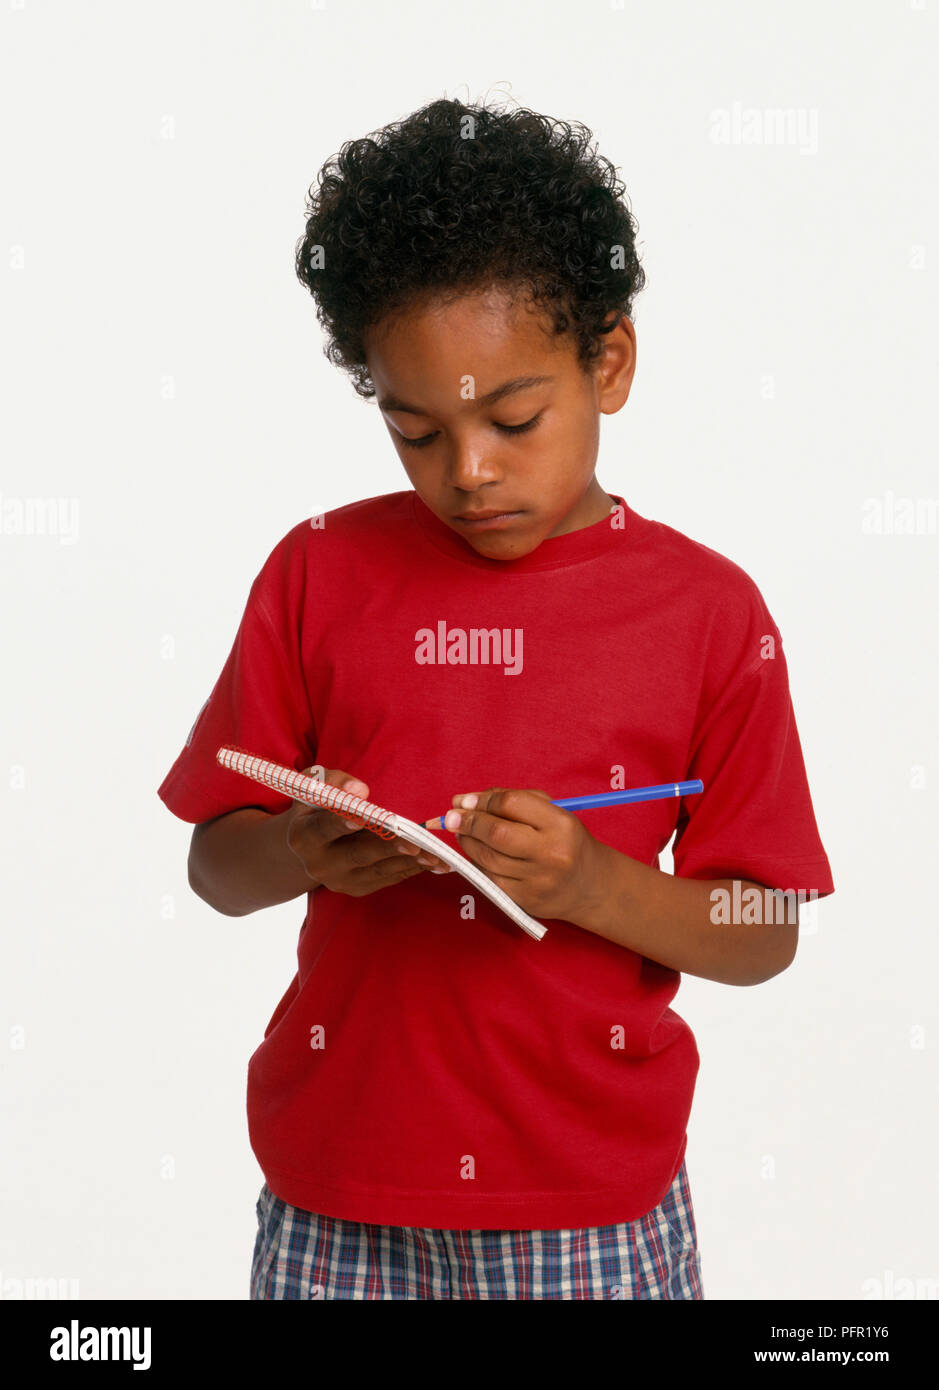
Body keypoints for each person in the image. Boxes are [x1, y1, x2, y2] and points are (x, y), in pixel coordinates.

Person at [157, 97, 834, 1300]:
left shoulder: (709, 613)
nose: (467, 473)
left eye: (512, 419)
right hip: (337, 1193)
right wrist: (305, 847)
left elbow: (764, 930)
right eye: (414, 431)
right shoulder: (318, 569)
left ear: (609, 364)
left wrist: (592, 885)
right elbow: (217, 864)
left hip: (589, 1210)